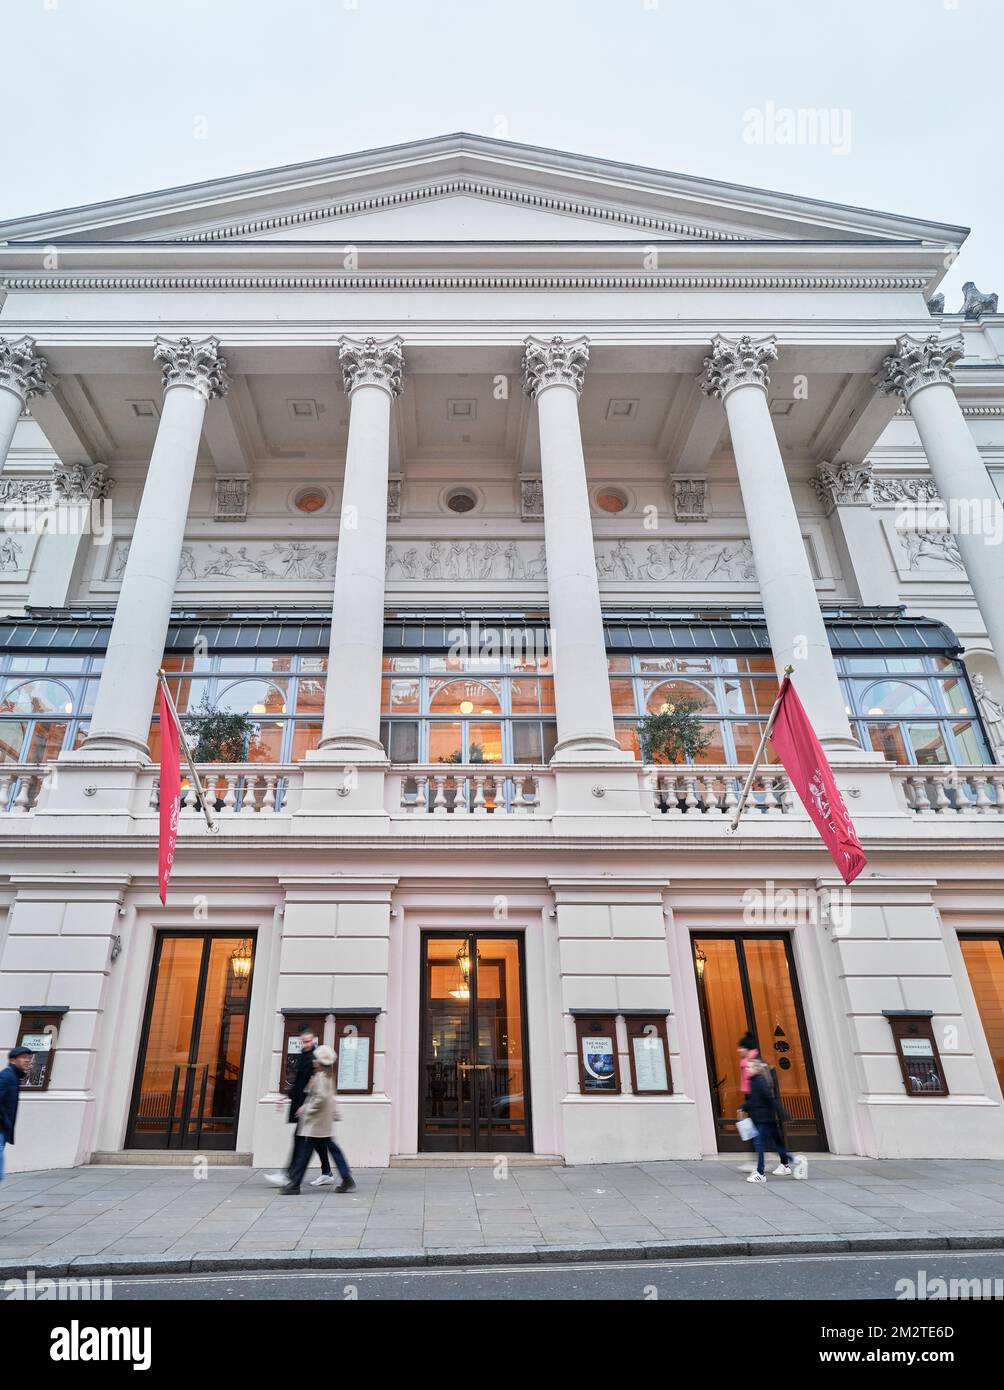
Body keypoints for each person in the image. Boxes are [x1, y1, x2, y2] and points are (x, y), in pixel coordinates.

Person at [281, 1046, 355, 1195]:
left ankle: (295, 1184)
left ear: (320, 1062)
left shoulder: (321, 1077)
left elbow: (320, 1098)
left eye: (316, 1058)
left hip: (317, 1121)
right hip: (323, 1121)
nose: (314, 1060)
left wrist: (305, 1109)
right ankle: (346, 1177)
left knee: (306, 1152)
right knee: (333, 1149)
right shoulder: (327, 1076)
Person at [264, 1024, 318, 1187]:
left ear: (314, 1040)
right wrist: (284, 1097)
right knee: (321, 1142)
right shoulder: (305, 1056)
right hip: (301, 1103)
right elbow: (298, 1082)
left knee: (301, 1139)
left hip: (307, 1105)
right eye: (303, 1041)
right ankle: (329, 1172)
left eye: (308, 1041)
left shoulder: (314, 1058)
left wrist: (306, 1104)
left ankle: (289, 1174)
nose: (306, 1044)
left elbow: (313, 1083)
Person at [741, 1057, 793, 1183]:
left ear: (757, 1069)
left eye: (749, 1067)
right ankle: (792, 1162)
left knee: (760, 1144)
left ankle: (760, 1173)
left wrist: (782, 1113)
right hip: (764, 1117)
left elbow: (769, 1098)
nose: (747, 1069)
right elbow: (755, 1100)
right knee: (774, 1145)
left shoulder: (759, 1081)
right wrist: (743, 1107)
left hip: (763, 1118)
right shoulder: (755, 1081)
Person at [0, 1047, 34, 1182]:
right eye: (23, 1057)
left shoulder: (14, 1076)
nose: (27, 1060)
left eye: (28, 1058)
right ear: (13, 1060)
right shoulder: (7, 1076)